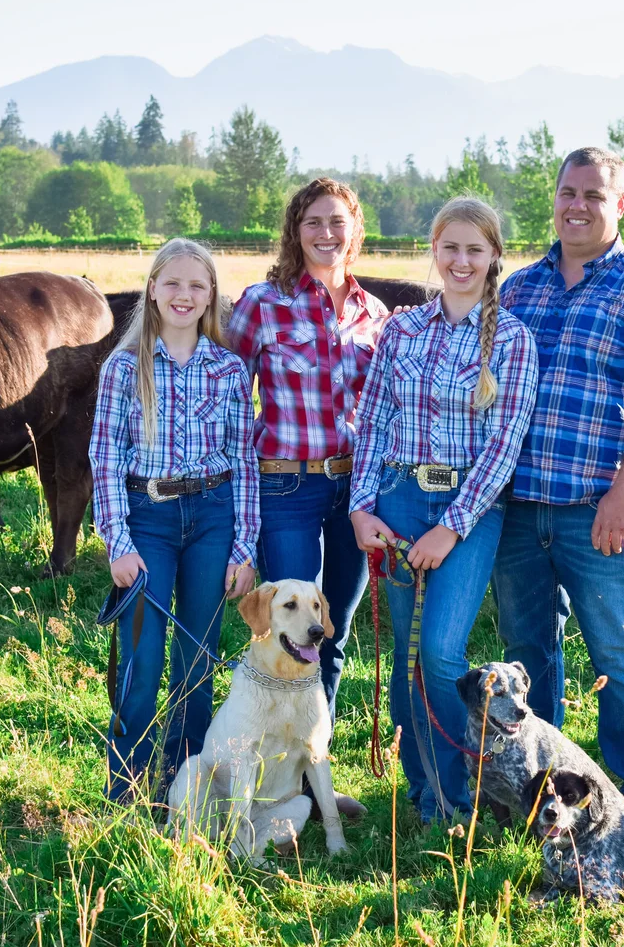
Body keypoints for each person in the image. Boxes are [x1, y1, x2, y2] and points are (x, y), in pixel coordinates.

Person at [491, 147, 624, 810]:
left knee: (620, 653)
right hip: (519, 508)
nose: (577, 205)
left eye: (594, 195)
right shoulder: (518, 288)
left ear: (619, 205)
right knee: (528, 655)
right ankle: (543, 791)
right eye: (568, 192)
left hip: (599, 504)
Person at [348, 196, 538, 822]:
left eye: (474, 250)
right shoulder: (400, 330)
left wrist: (450, 528)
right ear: (434, 251)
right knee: (406, 655)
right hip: (398, 495)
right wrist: (362, 508)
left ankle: (457, 793)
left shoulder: (512, 339)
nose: (461, 260)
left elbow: (505, 447)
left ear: (492, 258)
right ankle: (424, 789)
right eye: (450, 248)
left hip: (470, 508)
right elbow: (373, 421)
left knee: (440, 652)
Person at [228, 178, 389, 819]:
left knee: (333, 629)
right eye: (313, 222)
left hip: (353, 486)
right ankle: (266, 767)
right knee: (285, 622)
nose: (327, 234)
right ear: (296, 232)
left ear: (356, 230)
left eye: (338, 222)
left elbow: (381, 412)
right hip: (285, 482)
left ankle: (309, 771)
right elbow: (226, 389)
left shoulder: (374, 316)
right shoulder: (262, 305)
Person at [90, 238, 259, 804]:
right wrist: (117, 541)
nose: (184, 295)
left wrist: (245, 547)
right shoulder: (123, 367)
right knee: (142, 656)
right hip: (147, 518)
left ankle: (183, 783)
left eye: (196, 285)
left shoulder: (230, 370)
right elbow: (106, 458)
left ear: (212, 294)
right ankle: (126, 787)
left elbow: (244, 463)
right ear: (153, 290)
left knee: (197, 656)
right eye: (173, 283)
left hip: (213, 517)